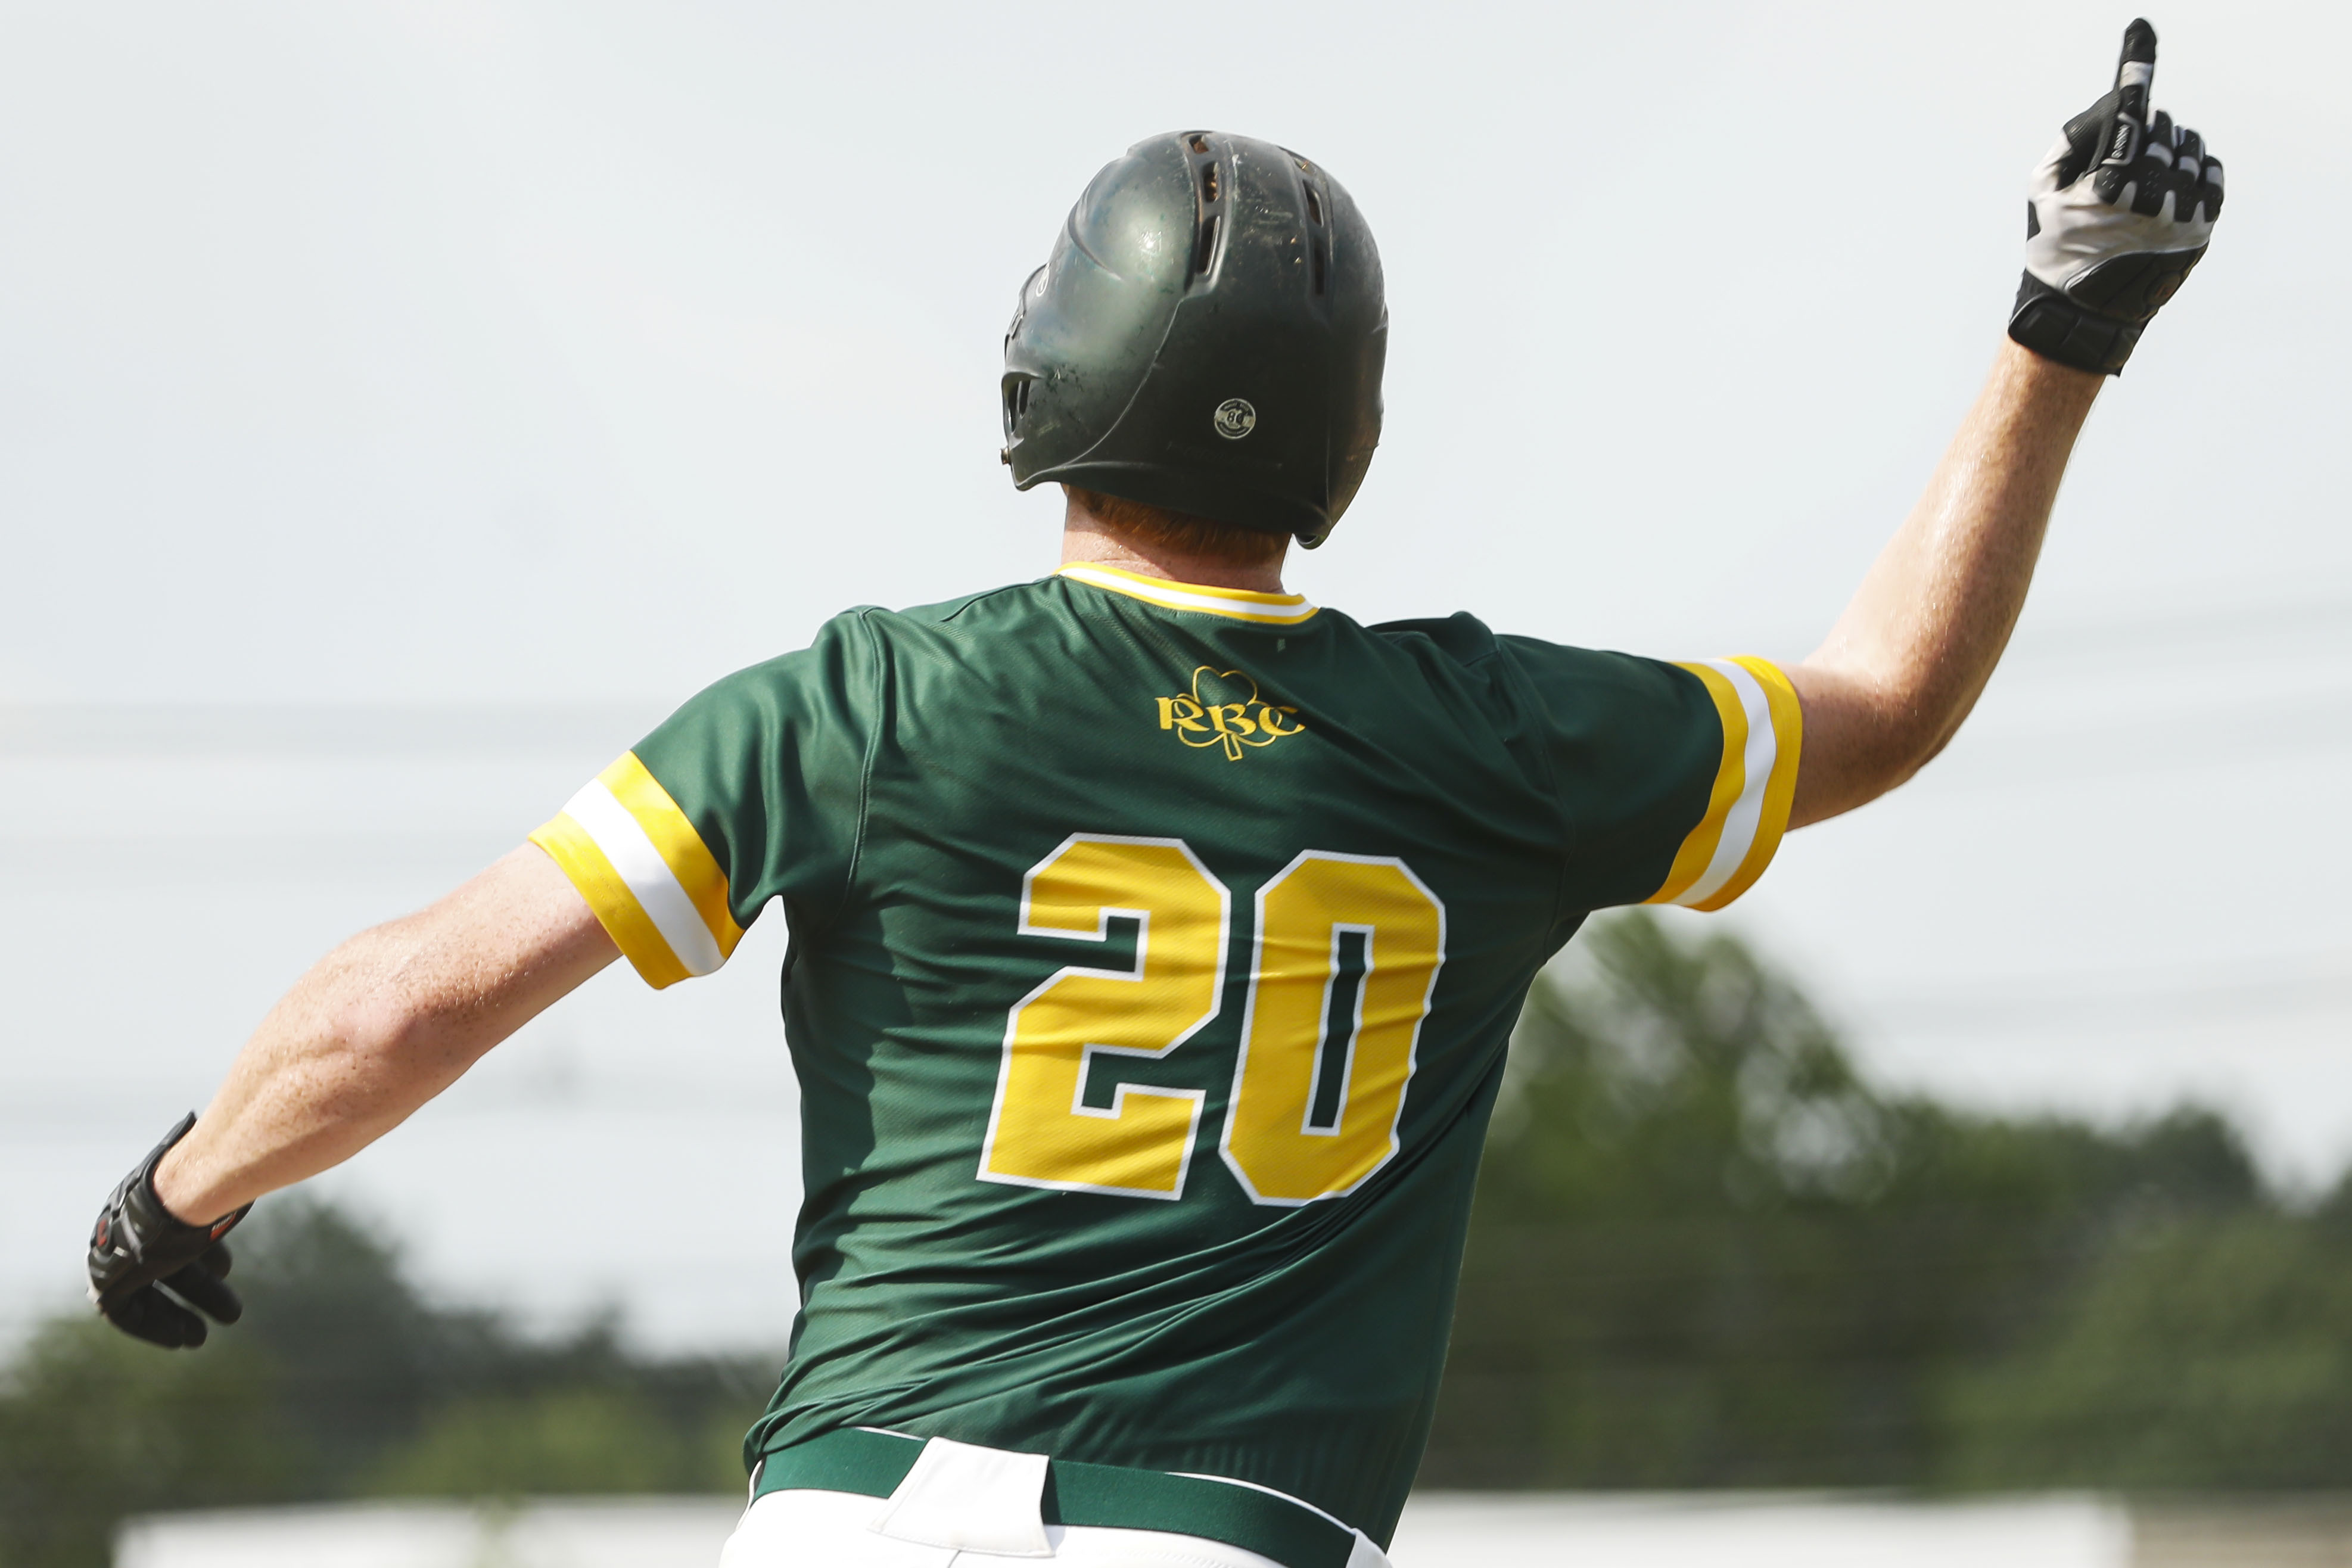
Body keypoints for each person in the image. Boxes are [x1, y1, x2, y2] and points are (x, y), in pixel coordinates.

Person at [86, 21, 2222, 1568]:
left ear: (1054, 366)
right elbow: (1884, 699)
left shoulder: (872, 699)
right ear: (1337, 434)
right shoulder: (1484, 743)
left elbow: (402, 1010)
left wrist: (186, 1186)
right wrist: (2060, 325)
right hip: (1225, 1536)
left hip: (841, 1522)